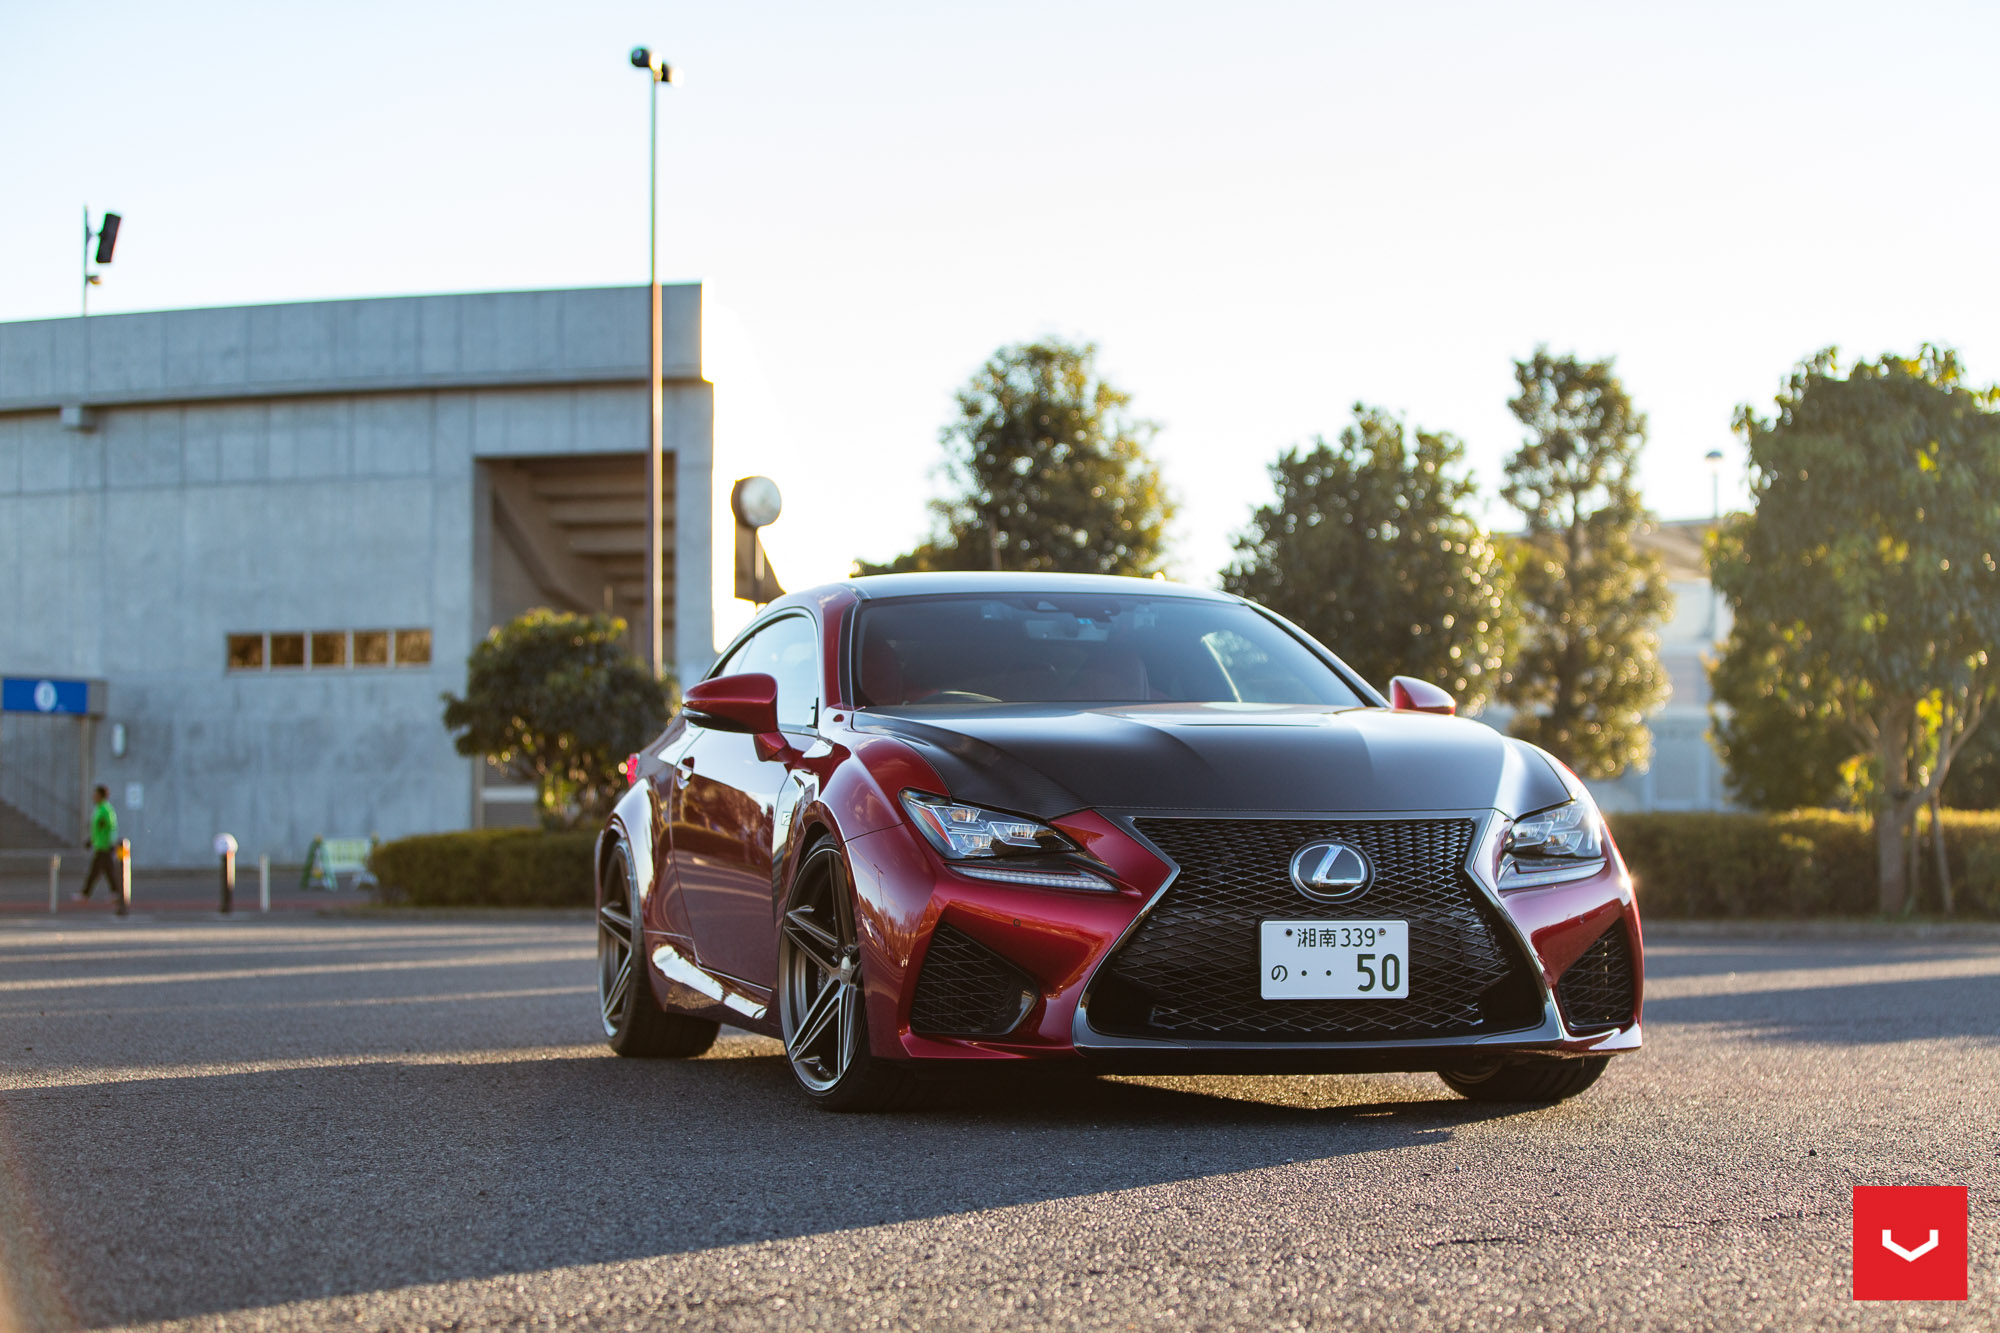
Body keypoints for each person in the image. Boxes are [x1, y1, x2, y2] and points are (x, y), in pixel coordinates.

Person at [75, 786, 118, 902]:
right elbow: (97, 829)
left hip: (105, 846)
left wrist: (110, 842)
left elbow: (110, 826)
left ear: (101, 795)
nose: (93, 797)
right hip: (99, 844)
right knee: (107, 871)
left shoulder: (105, 809)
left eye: (95, 794)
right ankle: (115, 892)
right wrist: (91, 840)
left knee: (97, 871)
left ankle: (86, 894)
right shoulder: (99, 808)